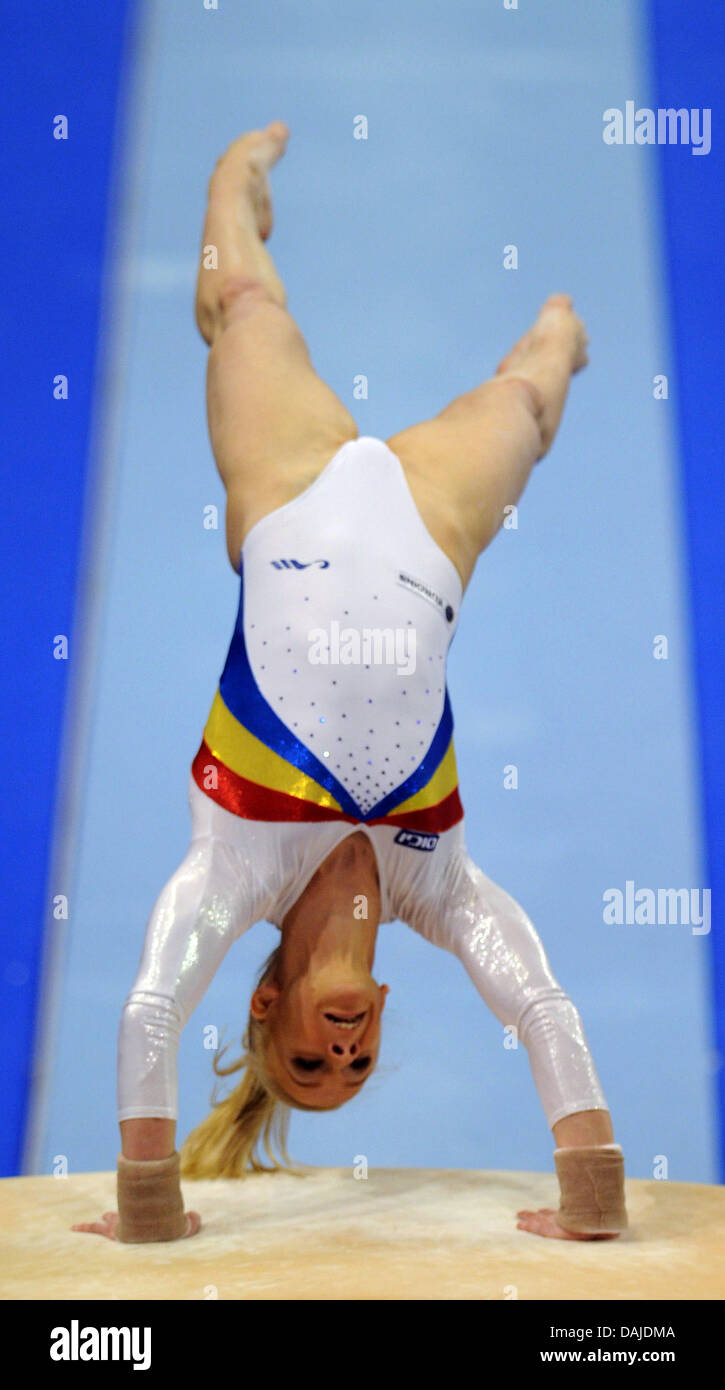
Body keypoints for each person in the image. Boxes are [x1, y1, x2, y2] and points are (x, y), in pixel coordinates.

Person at [73, 122, 627, 1246]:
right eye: (356, 1061)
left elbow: (148, 1008)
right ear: (378, 1017)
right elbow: (539, 1003)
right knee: (525, 406)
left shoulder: (233, 869)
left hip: (283, 497)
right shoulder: (437, 885)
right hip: (430, 530)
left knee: (244, 312)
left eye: (307, 1060)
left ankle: (234, 187)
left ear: (267, 1007)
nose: (340, 1047)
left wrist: (148, 1205)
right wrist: (592, 1191)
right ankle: (557, 337)